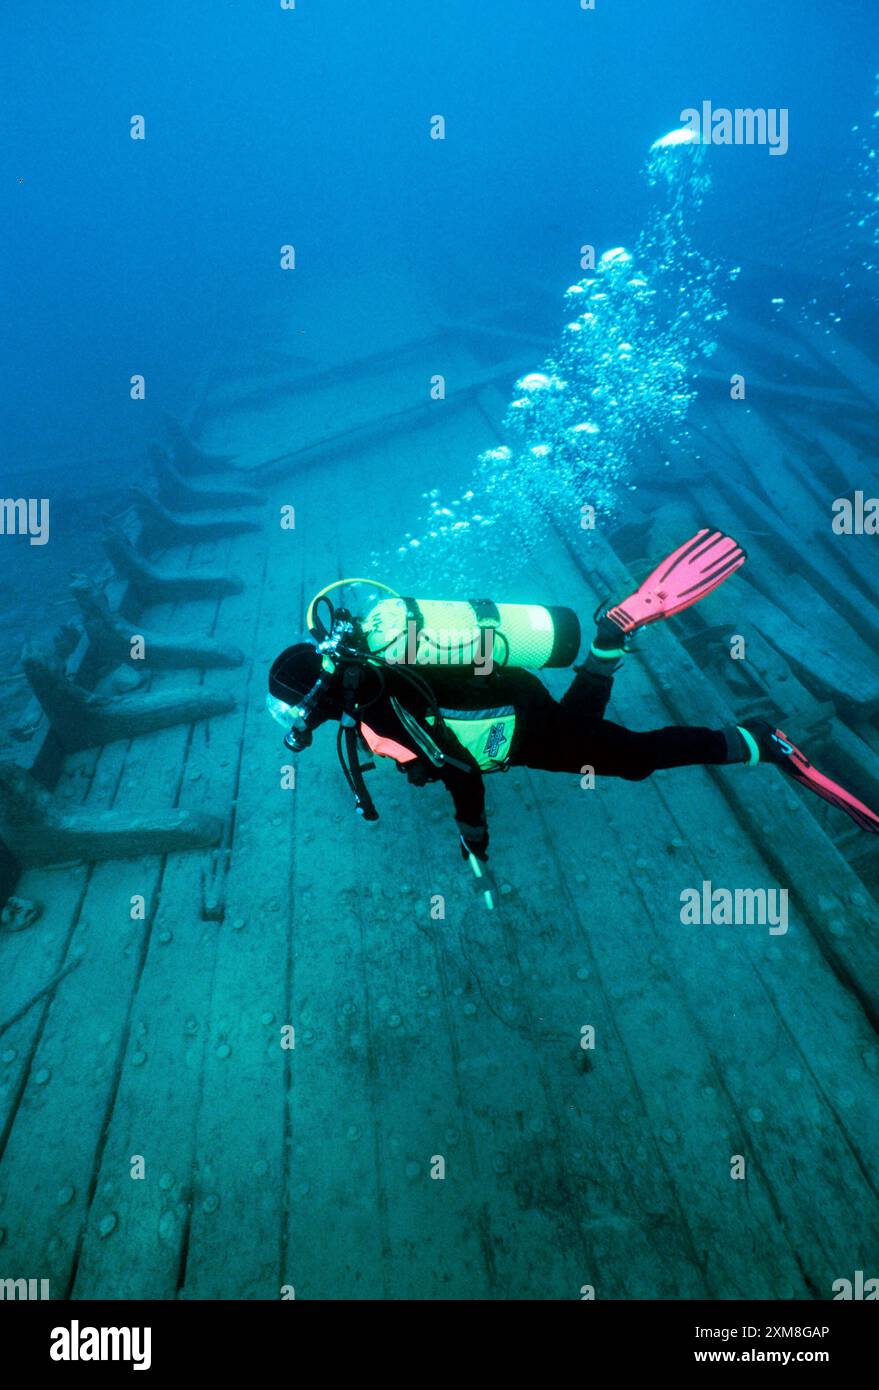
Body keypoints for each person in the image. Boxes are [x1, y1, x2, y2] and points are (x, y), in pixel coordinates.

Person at [267, 531, 879, 856]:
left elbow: (460, 771)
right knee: (580, 728)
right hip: (513, 693)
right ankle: (609, 641)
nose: (294, 716)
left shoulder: (376, 703)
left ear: (315, 696)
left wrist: (472, 835)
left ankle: (758, 743)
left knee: (632, 758)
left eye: (290, 706)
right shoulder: (370, 675)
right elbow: (431, 735)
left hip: (520, 725)